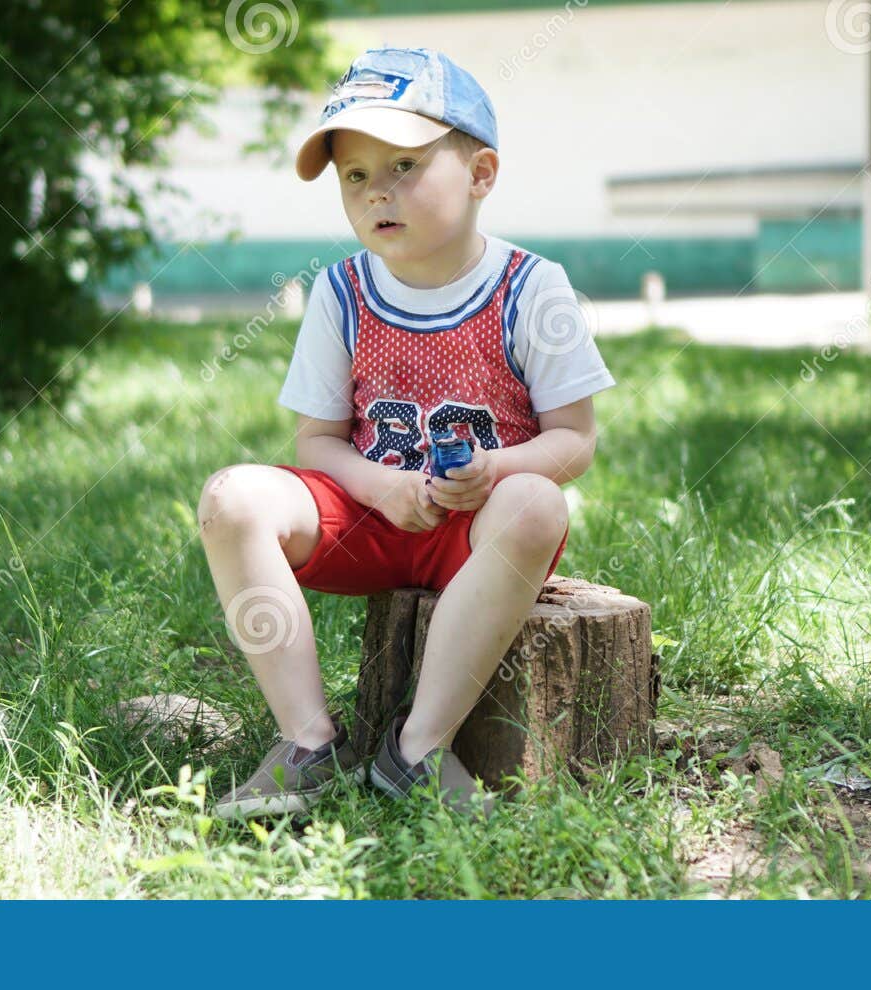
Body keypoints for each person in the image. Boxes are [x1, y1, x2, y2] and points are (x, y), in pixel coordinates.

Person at [198, 47, 615, 821]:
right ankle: (309, 743)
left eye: (404, 166)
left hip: (479, 533)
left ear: (481, 173)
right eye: (355, 176)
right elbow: (317, 444)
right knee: (233, 499)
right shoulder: (341, 291)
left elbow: (575, 441)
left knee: (536, 504)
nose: (376, 192)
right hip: (372, 519)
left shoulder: (533, 288)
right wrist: (383, 486)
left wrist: (494, 471)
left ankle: (417, 751)